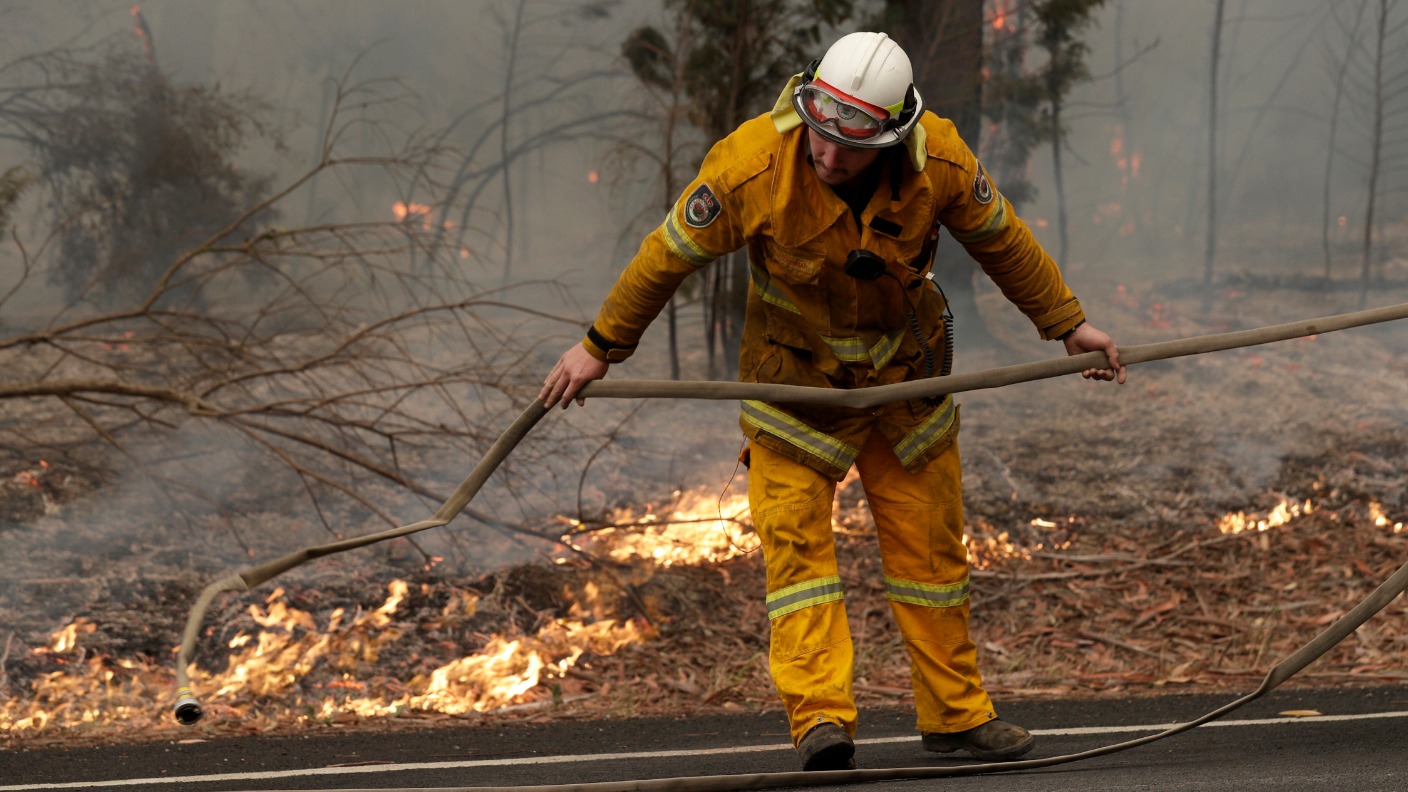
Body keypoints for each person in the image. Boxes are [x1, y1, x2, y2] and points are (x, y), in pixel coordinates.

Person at [539, 31, 1126, 771]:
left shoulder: (940, 162)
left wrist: (1067, 324)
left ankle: (956, 718)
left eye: (851, 146)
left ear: (893, 135)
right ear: (807, 104)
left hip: (905, 388)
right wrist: (600, 345)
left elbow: (1002, 241)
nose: (828, 155)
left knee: (932, 560)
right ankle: (820, 722)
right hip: (795, 394)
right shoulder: (752, 166)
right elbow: (665, 256)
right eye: (819, 132)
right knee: (798, 561)